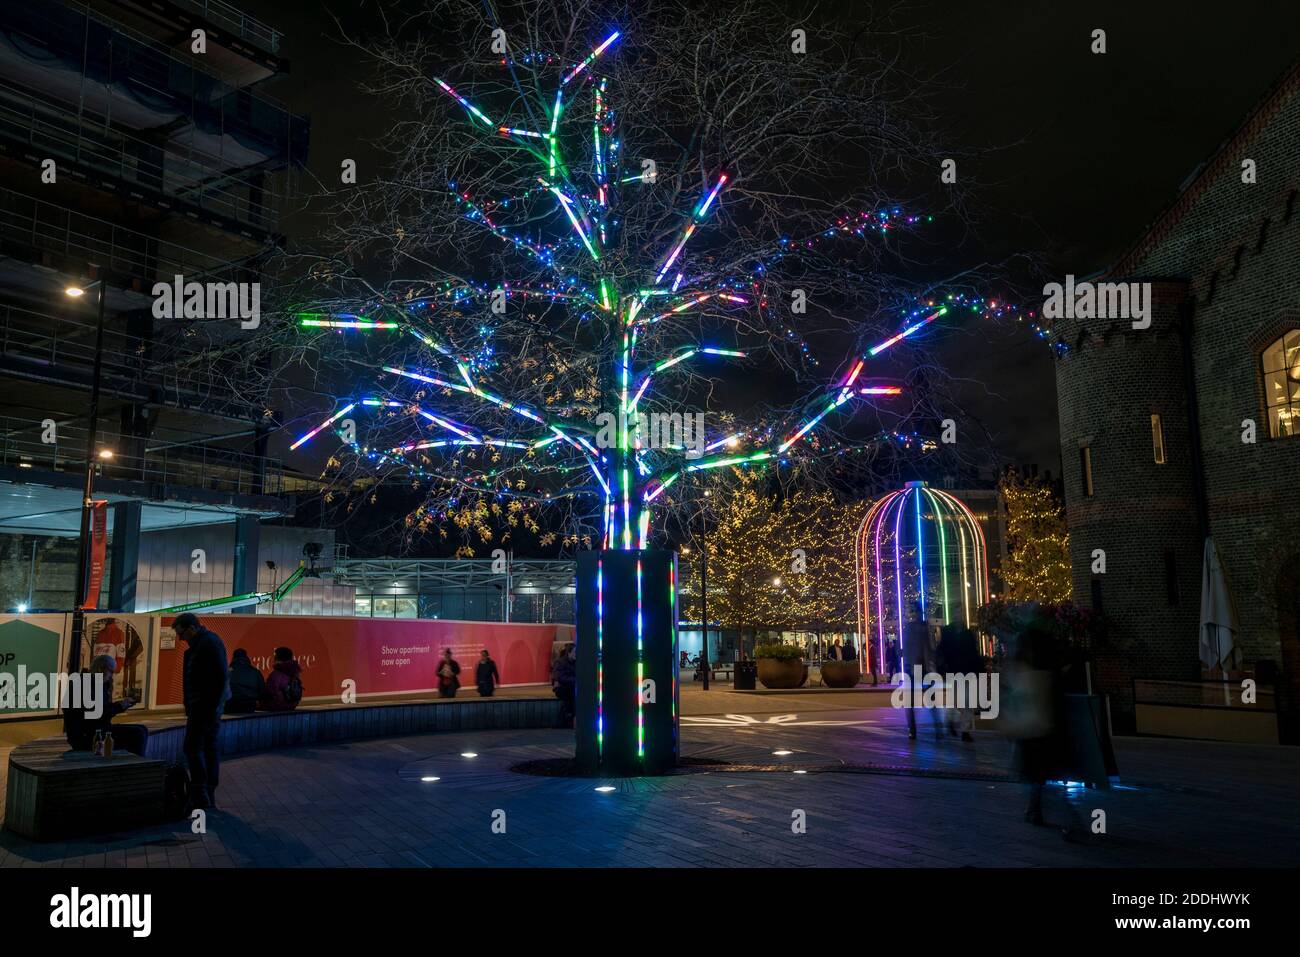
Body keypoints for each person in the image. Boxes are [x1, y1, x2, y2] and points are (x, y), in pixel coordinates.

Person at [174, 612, 229, 810]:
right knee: (206, 748)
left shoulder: (207, 643)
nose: (181, 639)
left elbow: (221, 676)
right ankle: (205, 792)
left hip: (204, 707)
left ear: (191, 628)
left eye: (182, 634)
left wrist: (212, 705)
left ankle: (201, 791)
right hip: (204, 706)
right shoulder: (204, 643)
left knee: (194, 747)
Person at [63, 654, 148, 756]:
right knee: (138, 733)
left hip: (95, 729)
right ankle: (134, 765)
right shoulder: (83, 685)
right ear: (100, 668)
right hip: (87, 735)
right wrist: (120, 706)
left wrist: (121, 705)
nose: (112, 676)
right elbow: (96, 713)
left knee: (142, 729)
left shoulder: (97, 684)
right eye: (111, 671)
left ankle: (132, 762)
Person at [901, 601, 941, 741]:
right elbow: (930, 649)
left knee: (911, 702)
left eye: (913, 611)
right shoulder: (923, 628)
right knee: (929, 701)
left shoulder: (912, 628)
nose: (912, 614)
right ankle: (936, 729)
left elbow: (923, 649)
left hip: (916, 668)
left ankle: (913, 730)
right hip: (921, 668)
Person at [261, 646, 303, 712]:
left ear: (278, 658)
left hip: (278, 705)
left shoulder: (276, 673)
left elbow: (269, 691)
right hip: (292, 704)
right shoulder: (294, 672)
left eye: (275, 656)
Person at [226, 649, 265, 714]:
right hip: (249, 706)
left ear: (233, 658)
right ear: (246, 657)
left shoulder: (227, 672)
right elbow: (262, 690)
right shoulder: (255, 672)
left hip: (230, 705)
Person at [552, 642, 576, 726]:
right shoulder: (560, 662)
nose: (576, 654)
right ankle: (567, 719)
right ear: (569, 653)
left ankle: (569, 718)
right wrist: (574, 680)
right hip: (561, 687)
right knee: (570, 695)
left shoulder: (576, 663)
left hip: (571, 686)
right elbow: (560, 677)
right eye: (574, 652)